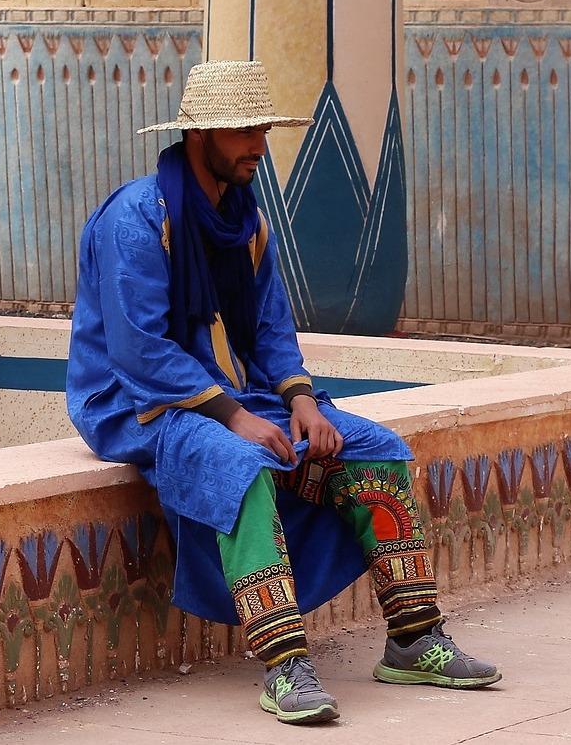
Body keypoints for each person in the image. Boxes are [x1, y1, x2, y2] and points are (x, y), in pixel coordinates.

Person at [66, 60, 500, 725]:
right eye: (243, 132)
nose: (258, 148)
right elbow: (139, 351)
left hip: (232, 395)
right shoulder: (136, 220)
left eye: (262, 130)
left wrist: (300, 400)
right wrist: (237, 417)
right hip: (141, 403)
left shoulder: (245, 220)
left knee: (373, 447)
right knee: (241, 463)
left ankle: (414, 637)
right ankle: (284, 664)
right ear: (199, 136)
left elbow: (270, 329)